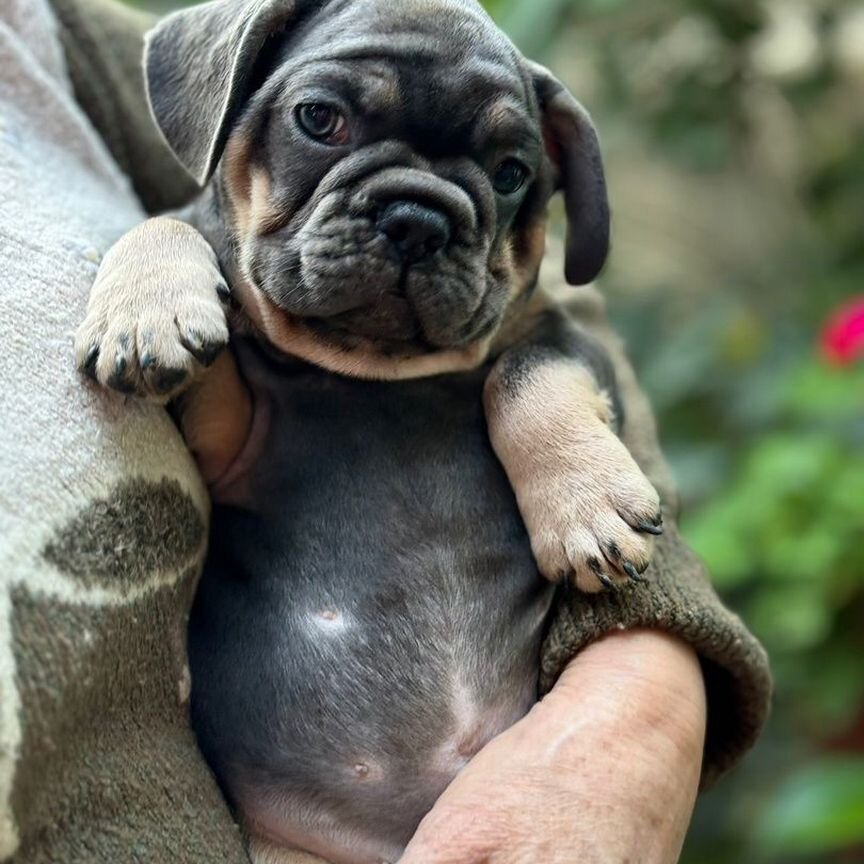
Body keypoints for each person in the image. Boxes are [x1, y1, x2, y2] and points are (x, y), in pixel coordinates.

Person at [0, 0, 771, 861]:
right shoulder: (209, 292)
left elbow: (555, 316)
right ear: (223, 97)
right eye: (322, 122)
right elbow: (196, 243)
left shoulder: (63, 48)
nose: (415, 219)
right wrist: (154, 256)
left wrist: (645, 699)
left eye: (506, 171)